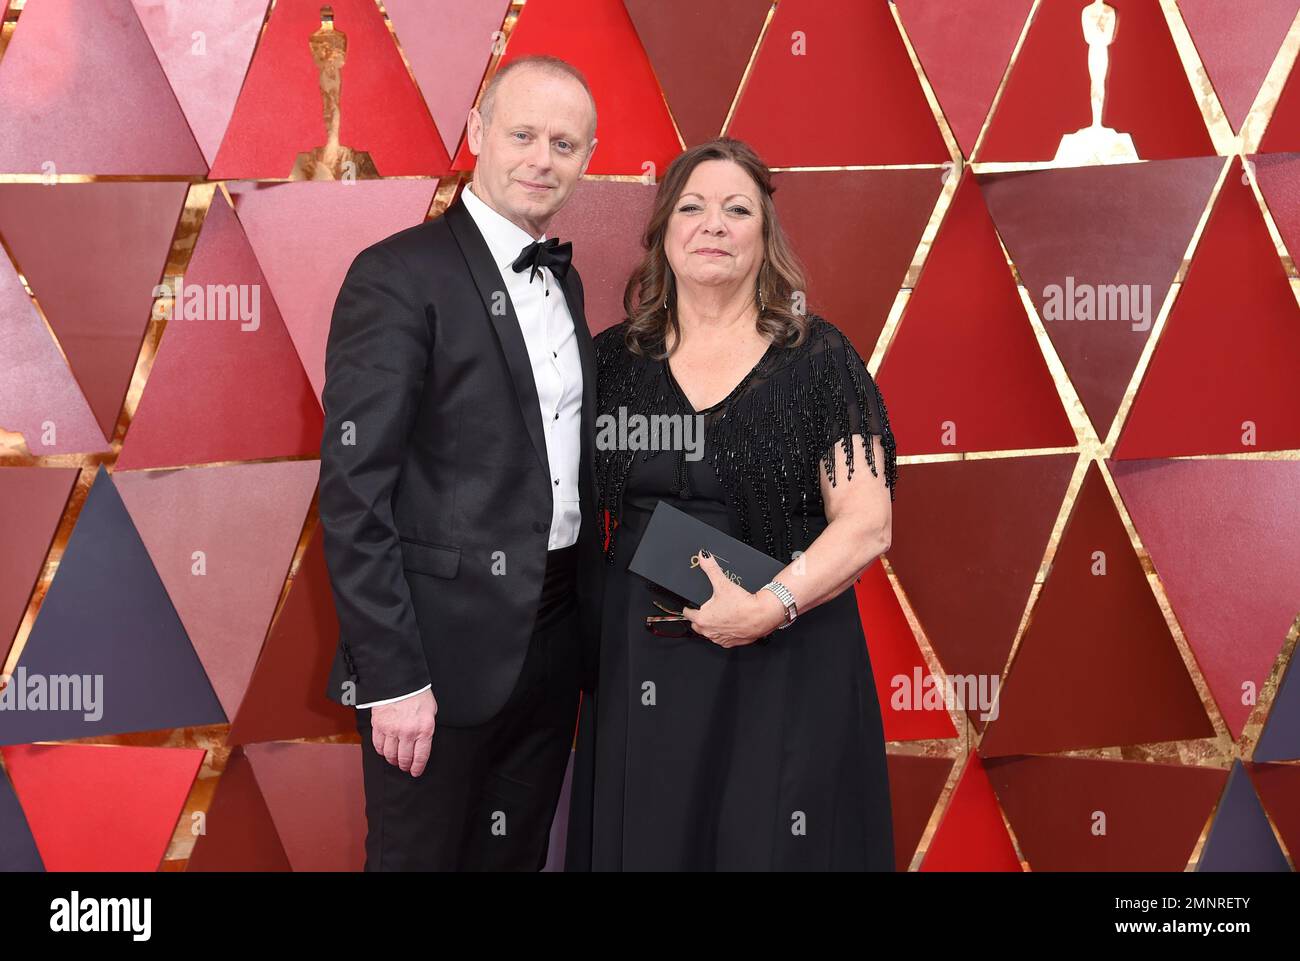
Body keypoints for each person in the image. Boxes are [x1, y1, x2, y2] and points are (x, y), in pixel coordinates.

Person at [565, 138, 898, 871]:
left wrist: (769, 604)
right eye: (692, 206)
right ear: (663, 233)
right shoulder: (610, 361)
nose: (713, 224)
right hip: (641, 665)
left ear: (764, 236)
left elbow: (869, 524)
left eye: (736, 209)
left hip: (786, 654)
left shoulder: (818, 358)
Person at [318, 55, 602, 871]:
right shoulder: (397, 275)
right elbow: (353, 490)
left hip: (551, 644)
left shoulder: (567, 284)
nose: (542, 159)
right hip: (435, 656)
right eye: (522, 134)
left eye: (565, 143)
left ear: (586, 157)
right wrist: (395, 676)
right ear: (477, 131)